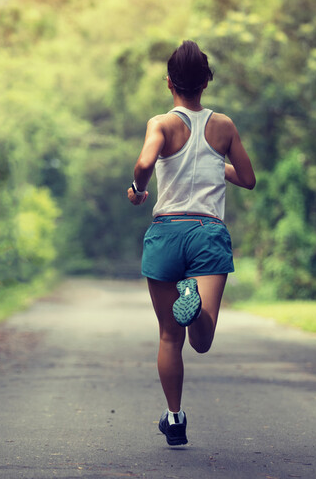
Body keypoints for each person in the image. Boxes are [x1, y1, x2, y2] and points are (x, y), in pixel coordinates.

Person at [126, 40, 256, 446]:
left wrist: (137, 188)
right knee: (201, 341)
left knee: (168, 336)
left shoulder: (161, 124)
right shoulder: (224, 126)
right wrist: (219, 165)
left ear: (169, 83)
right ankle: (195, 307)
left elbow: (146, 163)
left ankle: (175, 418)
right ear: (207, 81)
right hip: (207, 233)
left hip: (166, 232)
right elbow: (249, 179)